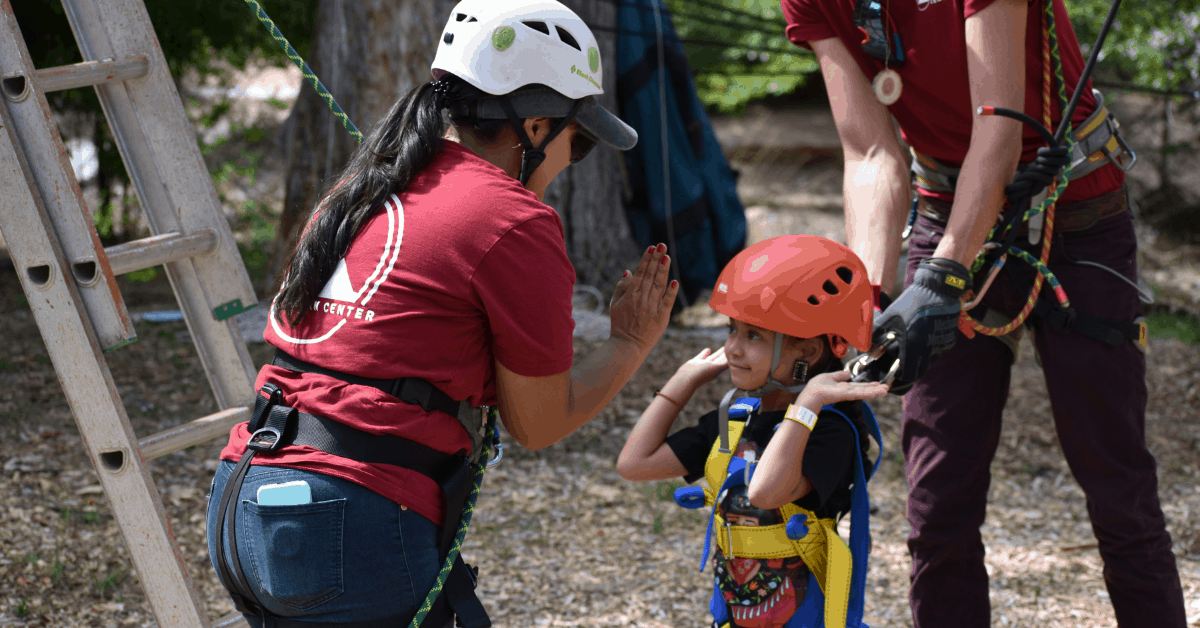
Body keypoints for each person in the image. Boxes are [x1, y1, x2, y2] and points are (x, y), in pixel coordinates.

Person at [204, 1, 680, 626]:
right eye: (580, 141)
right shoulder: (512, 219)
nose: (572, 161)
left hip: (245, 496)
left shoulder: (363, 188)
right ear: (535, 127)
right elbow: (538, 422)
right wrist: (629, 343)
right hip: (348, 516)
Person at [780, 0, 1188, 625]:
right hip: (945, 206)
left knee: (1115, 483)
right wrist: (868, 304)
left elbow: (997, 133)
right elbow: (869, 154)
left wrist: (942, 277)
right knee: (937, 499)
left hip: (1073, 209)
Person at [617, 235, 889, 628]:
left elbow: (765, 492)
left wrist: (808, 404)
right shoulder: (736, 419)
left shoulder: (832, 430)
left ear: (808, 353)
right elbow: (634, 463)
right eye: (732, 330)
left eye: (753, 336)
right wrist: (681, 384)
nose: (733, 348)